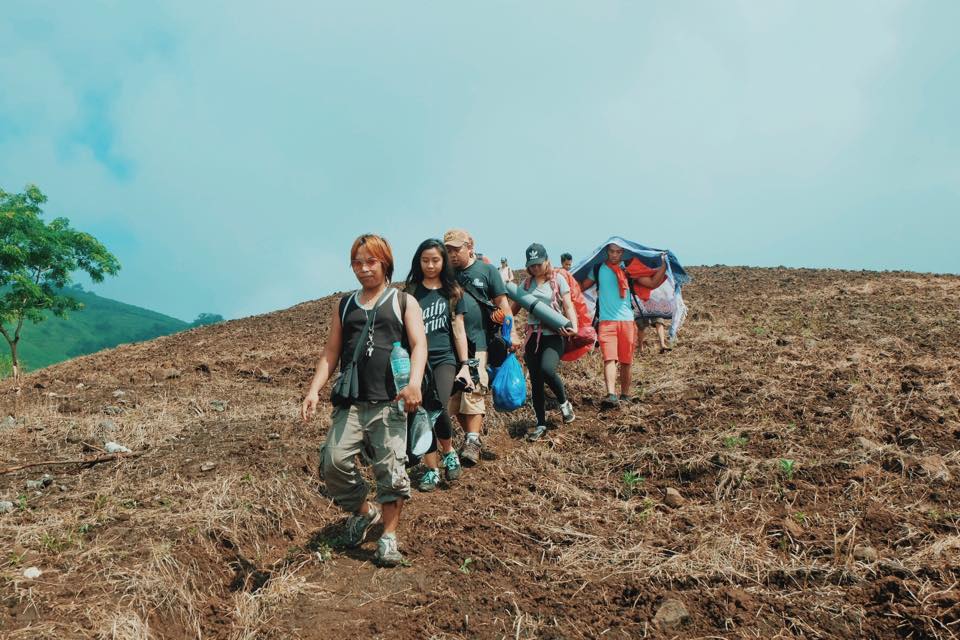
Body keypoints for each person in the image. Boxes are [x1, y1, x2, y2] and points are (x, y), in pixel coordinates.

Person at [301, 234, 427, 567]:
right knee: (333, 462)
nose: (364, 268)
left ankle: (388, 538)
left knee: (391, 472)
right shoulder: (344, 306)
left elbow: (419, 345)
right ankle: (366, 511)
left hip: (390, 402)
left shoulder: (403, 302)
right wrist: (314, 390)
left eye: (371, 261)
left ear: (385, 263)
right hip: (352, 403)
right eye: (357, 263)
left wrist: (414, 384)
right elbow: (331, 352)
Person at [444, 229, 518, 465]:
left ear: (470, 246)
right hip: (449, 345)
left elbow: (502, 303)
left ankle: (473, 439)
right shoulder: (445, 275)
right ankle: (470, 437)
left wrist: (512, 333)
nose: (452, 254)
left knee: (474, 388)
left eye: (456, 249)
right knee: (455, 393)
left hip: (479, 342)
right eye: (448, 250)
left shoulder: (487, 271)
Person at [403, 239, 472, 491]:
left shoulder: (453, 293)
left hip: (444, 358)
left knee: (438, 407)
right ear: (418, 262)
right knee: (420, 412)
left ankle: (449, 452)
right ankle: (432, 468)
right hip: (417, 361)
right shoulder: (410, 293)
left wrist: (465, 364)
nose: (430, 265)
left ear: (443, 262)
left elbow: (459, 330)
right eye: (425, 260)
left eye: (435, 260)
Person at [579, 242, 667, 409]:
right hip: (606, 322)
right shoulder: (597, 269)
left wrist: (664, 265)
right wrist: (565, 281)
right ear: (607, 252)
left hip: (627, 321)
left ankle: (625, 395)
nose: (615, 255)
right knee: (609, 358)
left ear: (623, 253)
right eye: (612, 251)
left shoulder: (629, 268)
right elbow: (582, 286)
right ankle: (611, 395)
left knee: (626, 361)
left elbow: (652, 283)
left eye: (618, 252)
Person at [510, 244, 578, 441]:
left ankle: (564, 403)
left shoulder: (558, 280)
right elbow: (513, 310)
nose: (535, 268)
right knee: (536, 381)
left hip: (555, 334)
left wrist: (574, 326)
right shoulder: (525, 285)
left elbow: (568, 305)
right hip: (533, 337)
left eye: (539, 264)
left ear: (547, 260)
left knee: (547, 370)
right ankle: (540, 423)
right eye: (532, 265)